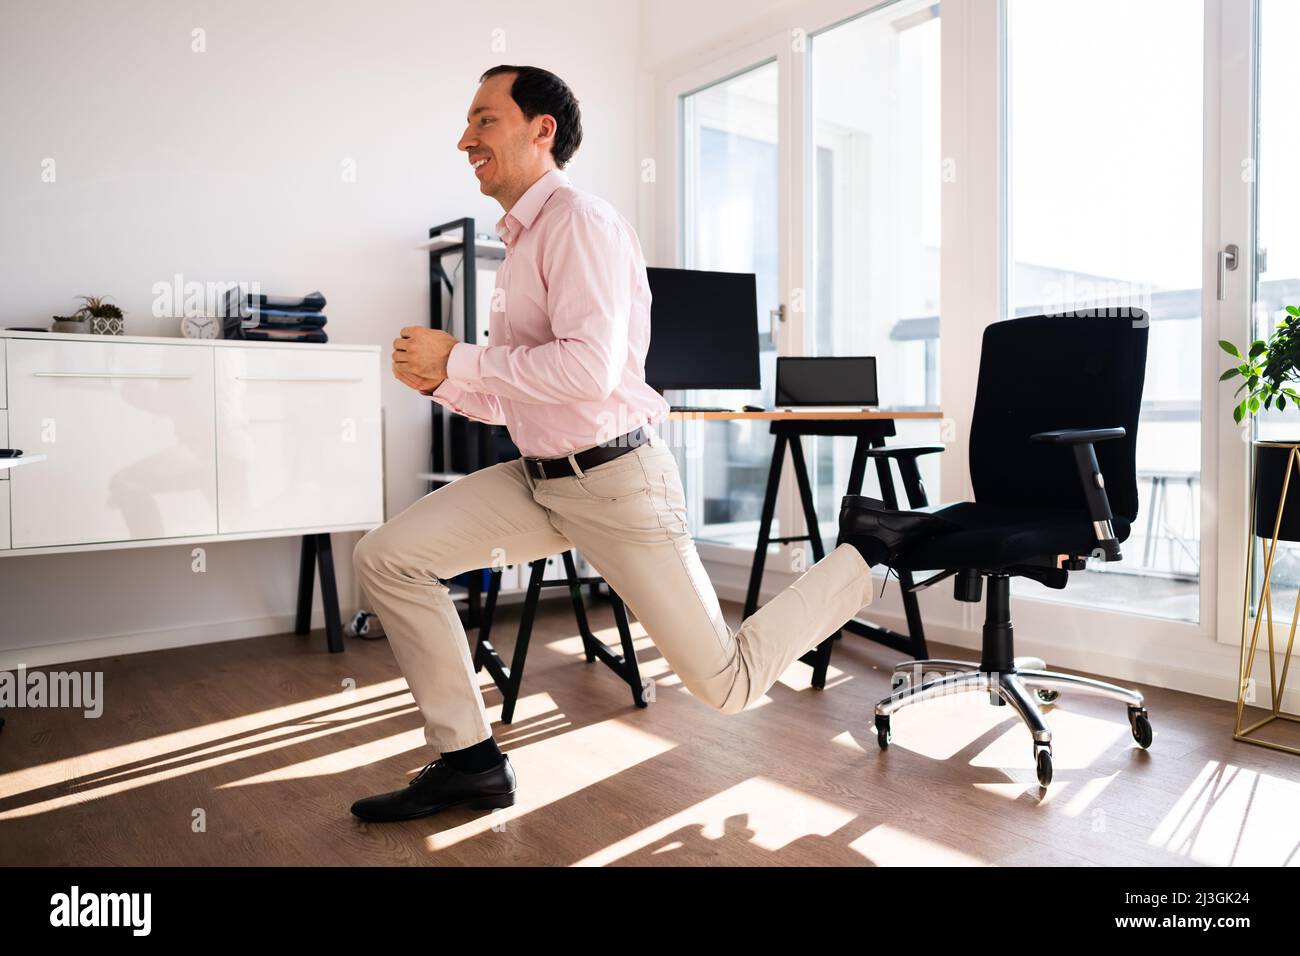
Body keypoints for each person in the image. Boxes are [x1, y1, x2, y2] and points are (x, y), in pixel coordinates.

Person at [350, 64, 956, 822]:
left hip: (614, 481)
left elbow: (587, 368)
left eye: (485, 120)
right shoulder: (524, 240)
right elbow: (523, 389)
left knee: (726, 683)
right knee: (387, 557)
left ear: (543, 131)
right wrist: (443, 381)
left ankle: (872, 555)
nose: (464, 138)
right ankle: (471, 763)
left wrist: (459, 359)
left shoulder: (579, 222)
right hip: (539, 481)